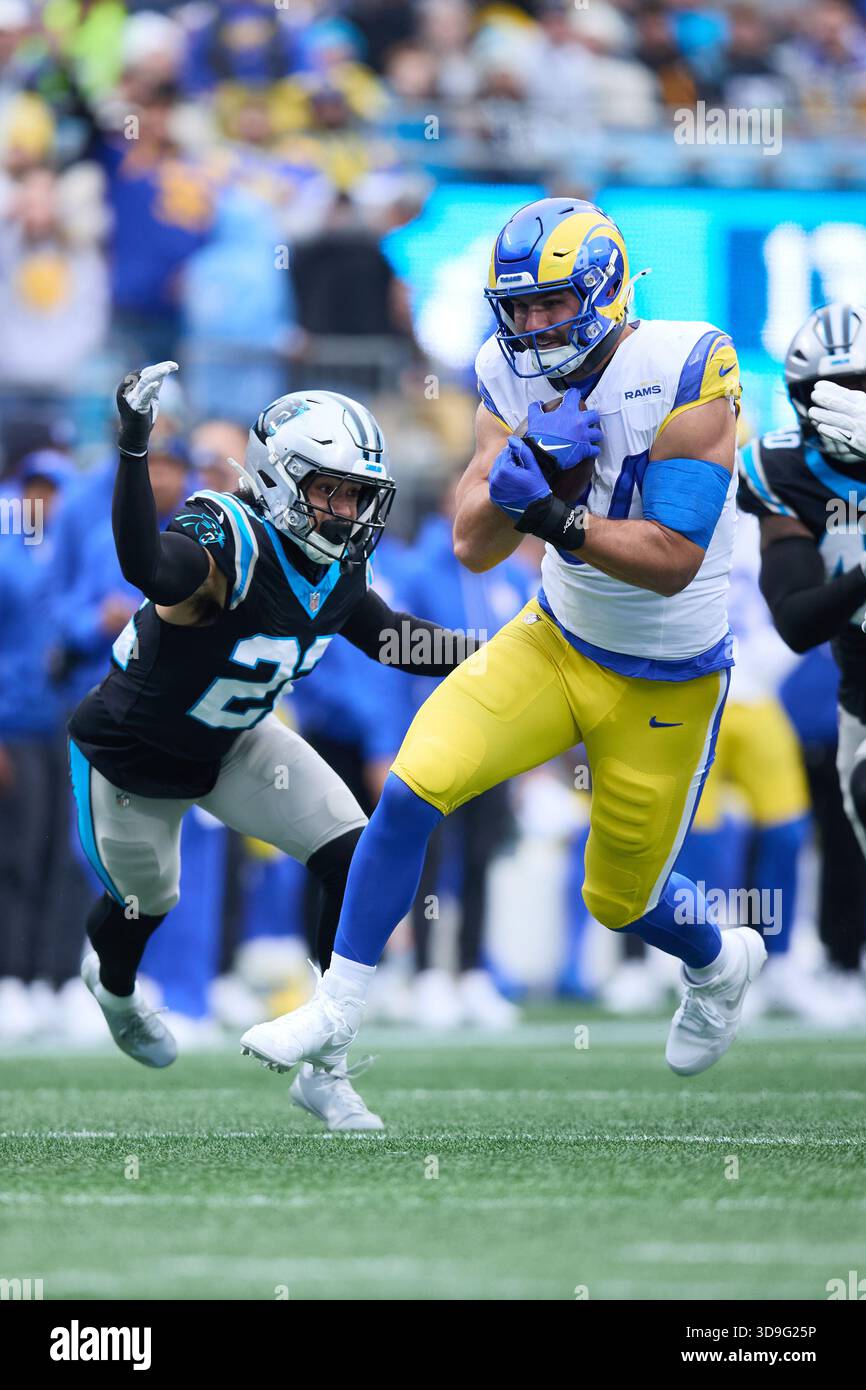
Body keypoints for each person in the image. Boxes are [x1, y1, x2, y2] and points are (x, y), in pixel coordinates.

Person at [241, 195, 765, 1088]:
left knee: (619, 898)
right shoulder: (507, 369)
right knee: (412, 786)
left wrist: (556, 515)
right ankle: (335, 1012)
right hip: (555, 641)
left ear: (600, 290)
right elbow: (472, 546)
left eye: (550, 304)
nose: (531, 325)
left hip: (667, 677)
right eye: (517, 308)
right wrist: (521, 477)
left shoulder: (688, 363)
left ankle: (718, 963)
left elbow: (673, 558)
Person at [67, 363, 476, 1130]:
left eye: (357, 494)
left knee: (355, 852)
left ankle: (327, 1066)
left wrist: (497, 651)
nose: (347, 510)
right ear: (280, 478)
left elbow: (391, 638)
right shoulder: (226, 535)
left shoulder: (337, 561)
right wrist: (131, 448)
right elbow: (145, 568)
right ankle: (115, 991)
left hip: (236, 743)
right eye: (330, 490)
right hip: (131, 759)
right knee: (144, 904)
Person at [737, 302, 866, 878]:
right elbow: (796, 621)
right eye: (825, 391)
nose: (840, 405)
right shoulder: (785, 468)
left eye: (857, 388)